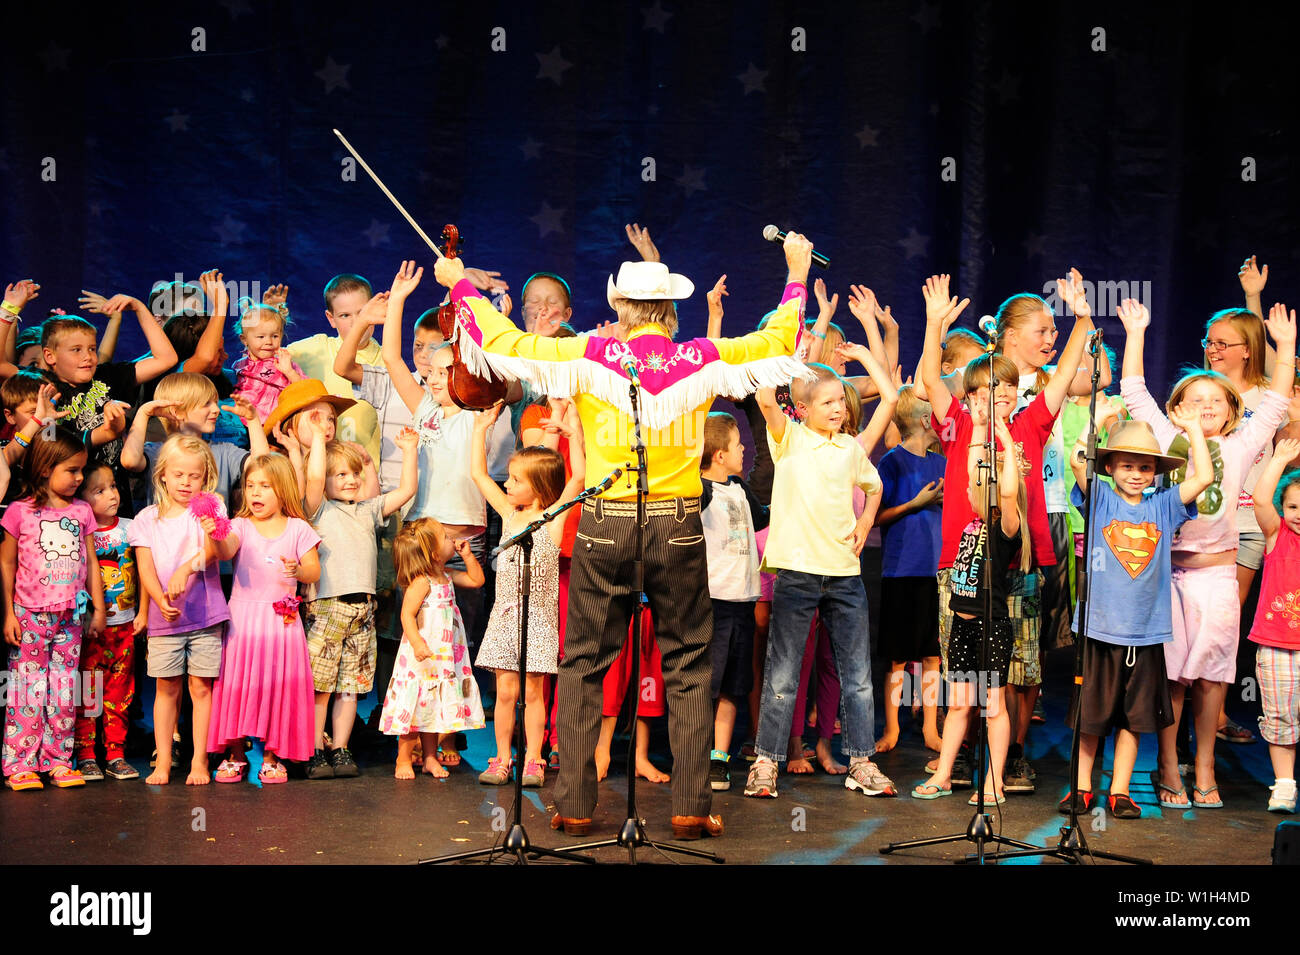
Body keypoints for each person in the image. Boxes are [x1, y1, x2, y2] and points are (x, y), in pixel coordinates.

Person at [433, 233, 813, 840]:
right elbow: (782, 342)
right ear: (670, 312)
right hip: (679, 523)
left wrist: (458, 285)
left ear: (620, 310)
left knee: (583, 663)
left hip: (607, 522)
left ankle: (577, 804)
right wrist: (795, 273)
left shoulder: (590, 355)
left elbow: (503, 345)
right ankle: (690, 807)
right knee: (688, 663)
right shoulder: (699, 357)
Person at [1120, 299, 1295, 808]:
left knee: (1213, 677)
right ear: (1176, 408)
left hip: (1218, 579)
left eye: (1215, 401)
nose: (1206, 408)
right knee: (1172, 678)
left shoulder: (1241, 446)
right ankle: (1169, 766)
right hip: (1169, 577)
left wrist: (1284, 348)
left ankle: (1205, 767)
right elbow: (1134, 393)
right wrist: (1136, 333)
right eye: (1194, 401)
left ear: (1233, 410)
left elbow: (1279, 402)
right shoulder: (1170, 439)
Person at [746, 345, 896, 801]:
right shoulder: (788, 438)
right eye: (827, 401)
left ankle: (861, 762)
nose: (837, 408)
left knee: (857, 672)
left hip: (845, 575)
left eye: (841, 401)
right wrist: (791, 358)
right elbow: (767, 398)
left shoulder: (851, 448)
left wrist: (867, 520)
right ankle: (766, 762)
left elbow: (888, 405)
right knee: (783, 673)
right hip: (797, 573)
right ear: (805, 408)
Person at [1060, 406, 1210, 818]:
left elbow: (1203, 479)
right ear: (1109, 466)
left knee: (1133, 718)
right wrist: (1101, 417)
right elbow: (1076, 459)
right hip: (1100, 629)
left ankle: (1120, 791)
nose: (1136, 474)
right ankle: (1082, 787)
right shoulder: (1102, 498)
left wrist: (1194, 429)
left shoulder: (1163, 506)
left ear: (1155, 472)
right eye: (1127, 465)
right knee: (1091, 717)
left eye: (1145, 467)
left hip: (1144, 634)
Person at [913, 415, 1027, 804]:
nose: (968, 487)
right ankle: (944, 773)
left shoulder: (1006, 527)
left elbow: (1009, 491)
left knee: (992, 708)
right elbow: (970, 464)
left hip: (990, 628)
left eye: (978, 485)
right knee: (959, 705)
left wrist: (1005, 438)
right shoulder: (972, 525)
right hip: (962, 628)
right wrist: (979, 427)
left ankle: (994, 783)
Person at [470, 402, 585, 787]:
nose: (508, 485)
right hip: (505, 617)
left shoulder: (553, 519)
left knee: (533, 691)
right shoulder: (509, 515)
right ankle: (502, 757)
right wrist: (481, 429)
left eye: (516, 480)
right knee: (505, 691)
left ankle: (533, 759)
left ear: (537, 487)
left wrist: (575, 431)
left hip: (537, 619)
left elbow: (579, 476)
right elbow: (478, 474)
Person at [299, 417, 420, 779]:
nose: (351, 481)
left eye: (354, 475)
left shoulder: (368, 510)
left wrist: (410, 451)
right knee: (322, 687)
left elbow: (406, 491)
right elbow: (316, 479)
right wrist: (319, 440)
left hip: (362, 610)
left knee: (349, 688)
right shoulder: (319, 509)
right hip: (328, 608)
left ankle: (340, 747)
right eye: (342, 476)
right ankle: (314, 750)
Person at [206, 454, 321, 785]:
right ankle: (236, 755)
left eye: (264, 486)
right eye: (250, 486)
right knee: (238, 687)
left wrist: (298, 571)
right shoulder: (241, 525)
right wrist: (216, 532)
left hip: (280, 625)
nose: (255, 493)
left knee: (276, 689)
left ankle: (272, 756)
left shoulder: (298, 528)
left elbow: (313, 570)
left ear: (282, 490)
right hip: (244, 621)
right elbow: (226, 550)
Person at [1, 431, 106, 791]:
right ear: (45, 469)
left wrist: (99, 608)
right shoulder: (20, 511)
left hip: (71, 615)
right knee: (28, 687)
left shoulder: (82, 511)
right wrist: (8, 614)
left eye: (82, 470)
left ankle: (59, 760)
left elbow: (91, 561)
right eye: (72, 470)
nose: (79, 478)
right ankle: (20, 763)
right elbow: (7, 563)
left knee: (63, 687)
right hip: (29, 614)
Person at [128, 434, 231, 785]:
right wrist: (157, 600)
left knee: (201, 688)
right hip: (165, 618)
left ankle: (200, 760)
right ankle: (163, 762)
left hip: (204, 615)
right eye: (179, 475)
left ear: (205, 478)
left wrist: (187, 568)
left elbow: (214, 552)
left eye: (194, 476)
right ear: (163, 476)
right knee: (166, 688)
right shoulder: (146, 519)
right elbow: (145, 568)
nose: (186, 482)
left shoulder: (210, 509)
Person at [379, 518, 486, 779]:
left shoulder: (446, 575)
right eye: (446, 538)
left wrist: (468, 555)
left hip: (443, 658)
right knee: (414, 708)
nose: (453, 540)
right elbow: (407, 615)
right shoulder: (421, 582)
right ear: (434, 553)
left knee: (432, 710)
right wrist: (417, 643)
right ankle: (403, 758)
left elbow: (476, 579)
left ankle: (429, 757)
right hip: (422, 656)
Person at [699, 411, 768, 791]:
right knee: (705, 685)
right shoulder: (700, 492)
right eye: (737, 443)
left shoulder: (740, 489)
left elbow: (763, 518)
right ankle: (695, 753)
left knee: (732, 686)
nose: (743, 448)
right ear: (719, 455)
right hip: (713, 602)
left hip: (743, 600)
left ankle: (718, 759)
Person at [876, 385, 945, 753]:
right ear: (924, 420)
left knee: (932, 653)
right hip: (900, 572)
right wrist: (914, 504)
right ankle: (892, 729)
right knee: (898, 656)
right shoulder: (890, 463)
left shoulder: (942, 462)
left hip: (935, 573)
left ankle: (931, 729)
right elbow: (874, 518)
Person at [73, 463, 144, 781]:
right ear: (83, 498)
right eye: (99, 490)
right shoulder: (78, 530)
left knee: (120, 691)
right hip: (90, 629)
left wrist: (143, 612)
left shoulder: (131, 528)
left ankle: (115, 753)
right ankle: (86, 754)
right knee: (88, 690)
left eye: (113, 486)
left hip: (125, 626)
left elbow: (144, 572)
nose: (111, 494)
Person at [1246, 436, 1300, 812]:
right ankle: (1284, 784)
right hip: (1278, 645)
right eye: (1294, 506)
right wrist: (1279, 461)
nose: (1299, 513)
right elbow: (1260, 500)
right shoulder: (1278, 536)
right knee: (1281, 716)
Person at [121, 372, 269, 509]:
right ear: (177, 411)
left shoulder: (224, 452)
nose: (216, 410)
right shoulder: (157, 453)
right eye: (206, 404)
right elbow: (130, 460)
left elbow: (262, 465)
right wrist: (143, 413)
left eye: (215, 403)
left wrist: (253, 420)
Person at [231, 300, 304, 423]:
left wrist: (289, 371)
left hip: (275, 423)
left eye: (275, 336)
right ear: (244, 340)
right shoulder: (239, 366)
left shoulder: (283, 363)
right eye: (261, 337)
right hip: (244, 423)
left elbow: (305, 389)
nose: (269, 342)